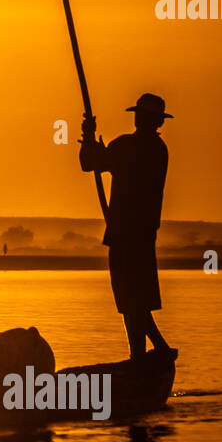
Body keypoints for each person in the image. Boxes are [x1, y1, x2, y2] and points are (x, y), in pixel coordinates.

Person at [79, 93, 175, 361]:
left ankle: (157, 349)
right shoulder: (150, 149)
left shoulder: (138, 148)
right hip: (137, 234)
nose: (140, 120)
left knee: (132, 300)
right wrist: (90, 138)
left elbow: (91, 163)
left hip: (128, 233)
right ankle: (139, 357)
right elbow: (92, 162)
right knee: (132, 301)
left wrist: (90, 139)